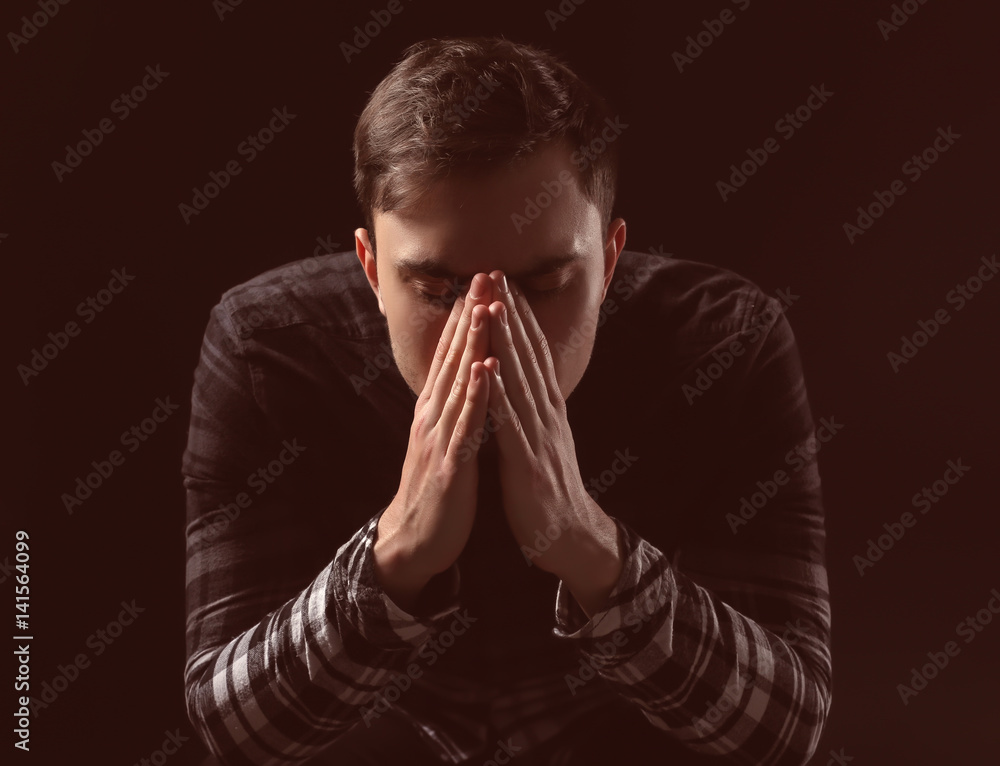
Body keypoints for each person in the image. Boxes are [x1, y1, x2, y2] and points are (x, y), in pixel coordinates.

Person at [182, 36, 832, 765]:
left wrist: (592, 550)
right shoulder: (266, 346)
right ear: (370, 268)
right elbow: (233, 730)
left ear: (610, 259)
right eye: (435, 291)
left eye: (546, 285)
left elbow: (786, 728)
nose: (490, 331)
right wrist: (394, 555)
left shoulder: (727, 343)